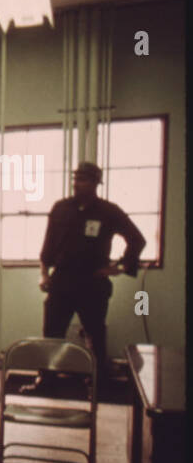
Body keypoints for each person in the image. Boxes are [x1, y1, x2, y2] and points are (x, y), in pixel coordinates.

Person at [30, 161, 145, 392]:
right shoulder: (61, 208)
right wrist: (44, 274)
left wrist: (119, 267)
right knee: (52, 332)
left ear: (95, 183)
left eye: (82, 179)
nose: (76, 184)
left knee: (95, 333)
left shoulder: (109, 211)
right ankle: (47, 379)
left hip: (92, 282)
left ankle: (99, 382)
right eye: (75, 179)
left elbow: (137, 239)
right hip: (61, 280)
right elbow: (47, 247)